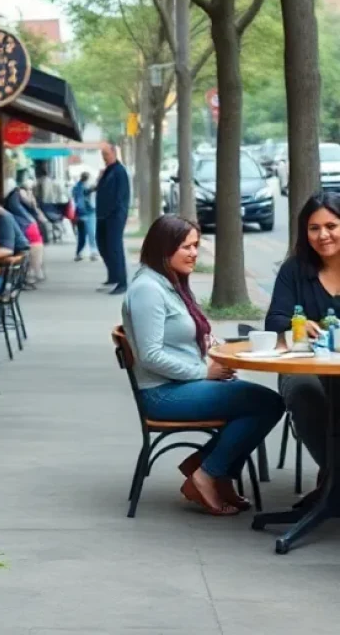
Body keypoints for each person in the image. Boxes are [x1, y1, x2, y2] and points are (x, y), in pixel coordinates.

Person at [122, 215, 284, 516]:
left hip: (181, 385)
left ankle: (209, 469)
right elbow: (149, 354)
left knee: (259, 402)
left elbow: (173, 337)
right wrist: (203, 371)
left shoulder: (168, 282)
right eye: (186, 247)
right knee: (267, 404)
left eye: (196, 245)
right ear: (163, 248)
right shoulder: (148, 289)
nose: (194, 253)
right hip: (163, 393)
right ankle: (208, 473)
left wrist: (206, 342)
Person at [264, 192, 340, 474]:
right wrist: (296, 325)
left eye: (331, 226)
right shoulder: (294, 270)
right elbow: (274, 321)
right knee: (302, 390)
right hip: (303, 365)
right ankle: (334, 479)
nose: (323, 235)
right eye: (314, 228)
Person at [96, 142, 130, 294]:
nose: (104, 158)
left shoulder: (119, 171)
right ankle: (113, 275)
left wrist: (112, 212)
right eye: (103, 155)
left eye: (107, 155)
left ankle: (122, 282)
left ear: (114, 153)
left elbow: (119, 196)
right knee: (103, 244)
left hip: (114, 216)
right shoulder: (107, 171)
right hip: (103, 215)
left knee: (115, 247)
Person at [73, 172, 98, 262]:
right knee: (90, 233)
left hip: (84, 213)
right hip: (85, 212)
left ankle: (82, 253)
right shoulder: (79, 187)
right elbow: (81, 198)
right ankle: (90, 252)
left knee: (85, 234)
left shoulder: (78, 187)